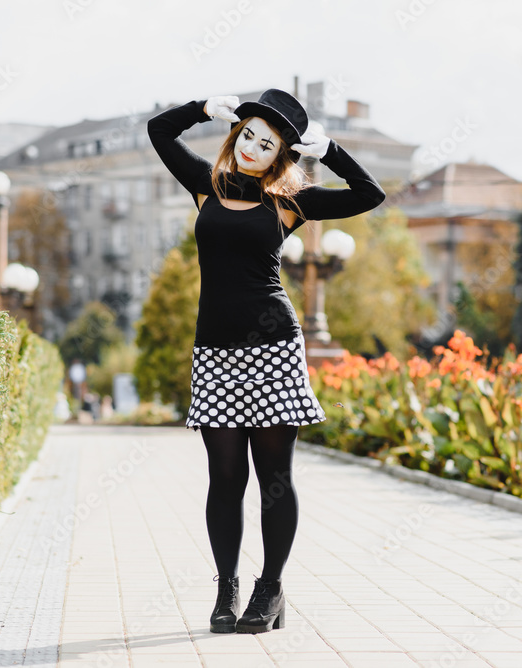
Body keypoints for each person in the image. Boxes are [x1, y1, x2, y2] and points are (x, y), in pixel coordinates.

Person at [147, 88, 385, 634]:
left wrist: (330, 154)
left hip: (274, 347)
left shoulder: (288, 201)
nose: (254, 148)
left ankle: (270, 587)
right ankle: (227, 586)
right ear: (237, 137)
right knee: (224, 477)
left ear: (281, 155)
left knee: (273, 475)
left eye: (267, 143)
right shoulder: (205, 184)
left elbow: (370, 194)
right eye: (248, 135)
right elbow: (159, 132)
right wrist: (202, 108)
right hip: (215, 352)